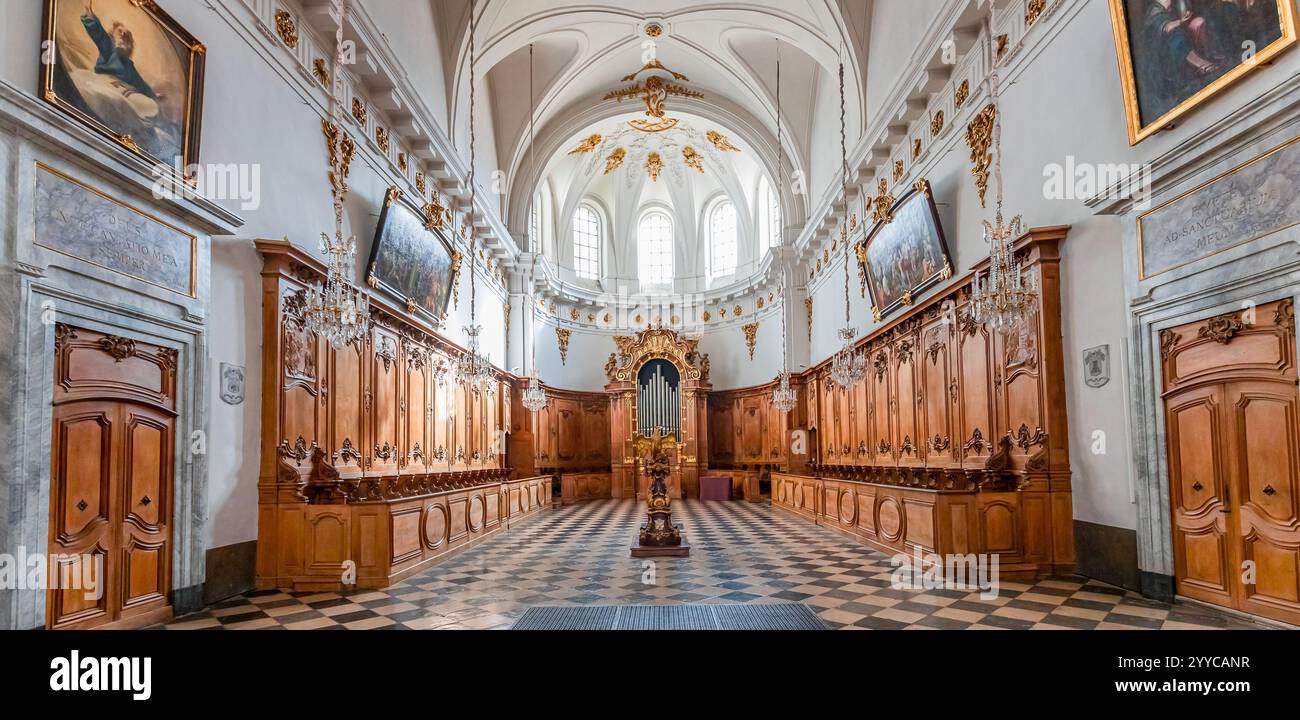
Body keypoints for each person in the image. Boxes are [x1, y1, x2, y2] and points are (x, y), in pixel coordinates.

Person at [80, 0, 160, 101]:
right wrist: (88, 11)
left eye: (126, 34)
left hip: (122, 89)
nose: (123, 34)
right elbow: (99, 34)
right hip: (106, 82)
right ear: (112, 35)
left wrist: (152, 94)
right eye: (120, 31)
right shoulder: (108, 46)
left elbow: (139, 82)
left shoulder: (128, 63)